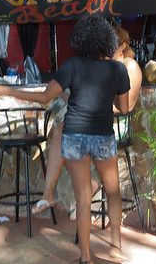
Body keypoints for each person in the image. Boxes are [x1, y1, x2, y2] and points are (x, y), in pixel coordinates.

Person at [0, 15, 130, 264]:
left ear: (80, 39)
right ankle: (115, 245)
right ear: (107, 40)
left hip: (74, 135)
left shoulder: (71, 66)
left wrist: (4, 90)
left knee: (83, 199)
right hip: (102, 134)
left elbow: (44, 98)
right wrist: (103, 98)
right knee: (113, 191)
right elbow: (124, 108)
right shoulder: (118, 69)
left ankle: (85, 260)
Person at [30, 25, 142, 216]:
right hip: (96, 120)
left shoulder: (129, 65)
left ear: (123, 45)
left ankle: (78, 187)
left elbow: (127, 107)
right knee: (59, 133)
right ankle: (55, 192)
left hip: (116, 124)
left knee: (64, 133)